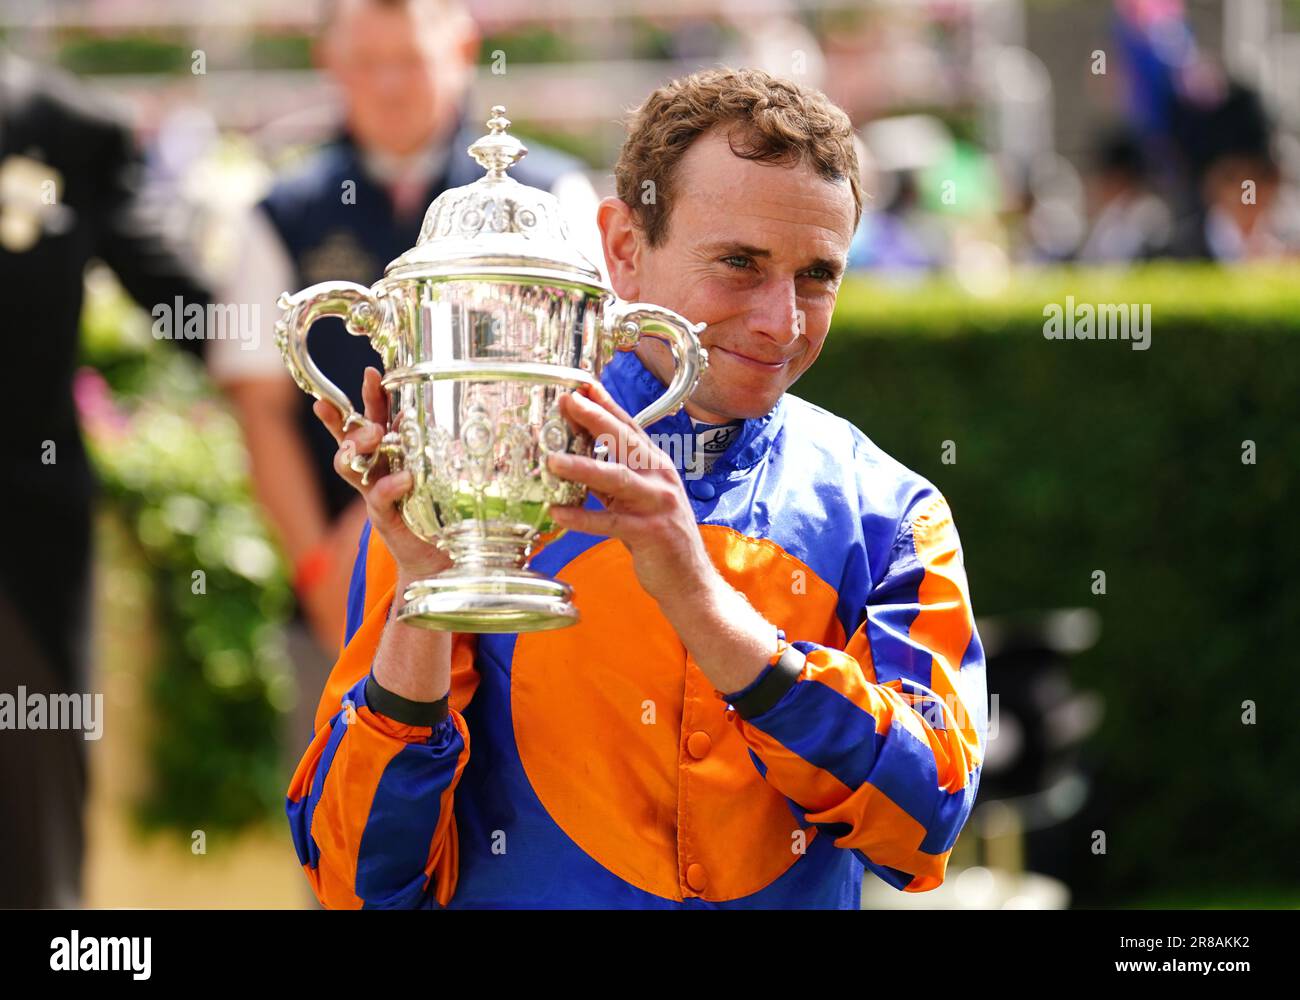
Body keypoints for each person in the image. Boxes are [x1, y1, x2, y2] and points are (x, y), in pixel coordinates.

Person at [286, 67, 988, 909]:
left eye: (817, 276)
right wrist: (423, 603)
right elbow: (359, 881)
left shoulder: (890, 511)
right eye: (738, 263)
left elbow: (924, 824)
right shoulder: (472, 477)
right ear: (622, 248)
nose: (781, 321)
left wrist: (697, 596)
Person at [205, 0, 598, 769]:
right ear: (332, 64)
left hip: (540, 588)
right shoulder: (282, 213)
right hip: (340, 598)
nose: (389, 85)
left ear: (462, 49)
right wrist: (323, 570)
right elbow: (260, 411)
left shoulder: (558, 196)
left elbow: (590, 380)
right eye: (367, 63)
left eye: (410, 60)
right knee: (352, 843)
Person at [0, 50, 213, 907]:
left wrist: (315, 359)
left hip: (22, 544)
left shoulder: (64, 128)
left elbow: (177, 299)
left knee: (31, 826)